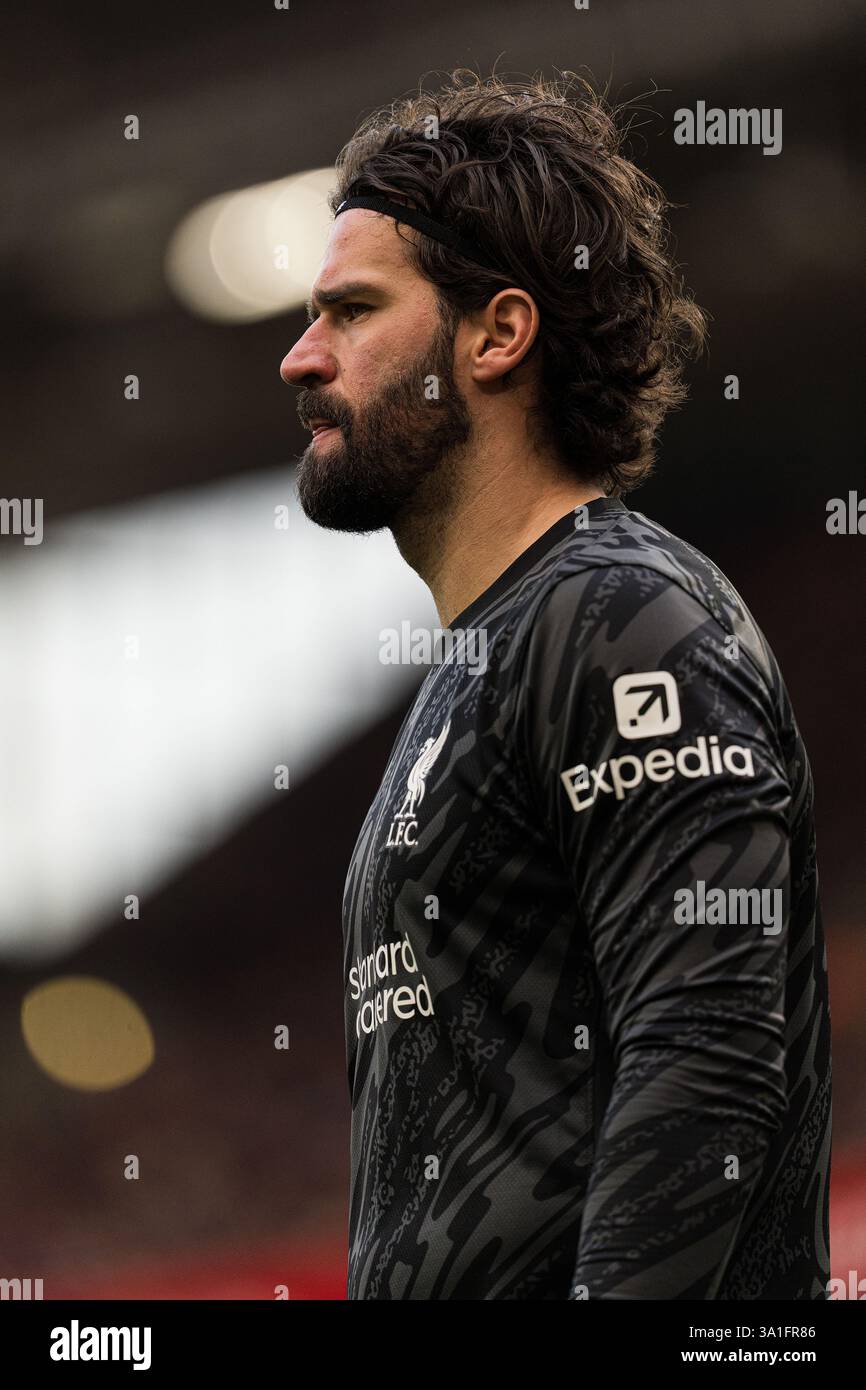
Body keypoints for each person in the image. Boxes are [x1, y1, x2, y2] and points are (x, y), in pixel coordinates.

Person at [280, 70, 831, 1300]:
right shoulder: (477, 664)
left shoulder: (626, 619)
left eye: (350, 311)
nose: (298, 358)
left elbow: (707, 1058)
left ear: (495, 334)